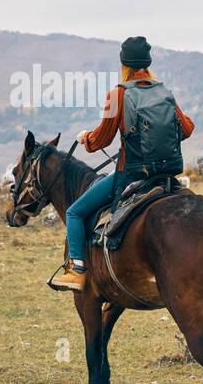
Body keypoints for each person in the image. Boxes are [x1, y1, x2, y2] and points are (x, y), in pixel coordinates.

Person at [52, 35, 194, 291]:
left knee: (74, 212)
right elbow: (186, 130)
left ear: (124, 64)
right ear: (148, 62)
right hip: (166, 175)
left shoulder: (118, 94)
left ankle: (78, 271)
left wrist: (86, 138)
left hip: (131, 176)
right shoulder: (165, 93)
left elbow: (101, 140)